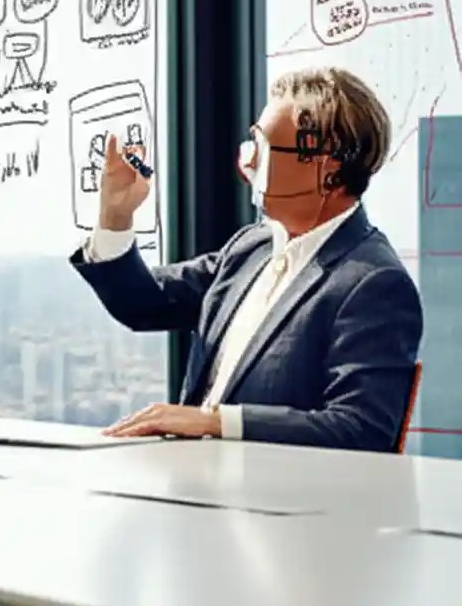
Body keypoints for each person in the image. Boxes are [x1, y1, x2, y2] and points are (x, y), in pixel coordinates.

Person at [71, 66, 422, 452]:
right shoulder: (250, 248)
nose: (248, 162)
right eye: (252, 143)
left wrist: (216, 421)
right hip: (196, 491)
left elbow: (363, 429)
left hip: (279, 504)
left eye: (265, 148)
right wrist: (115, 217)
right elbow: (143, 304)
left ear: (328, 169)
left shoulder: (374, 283)